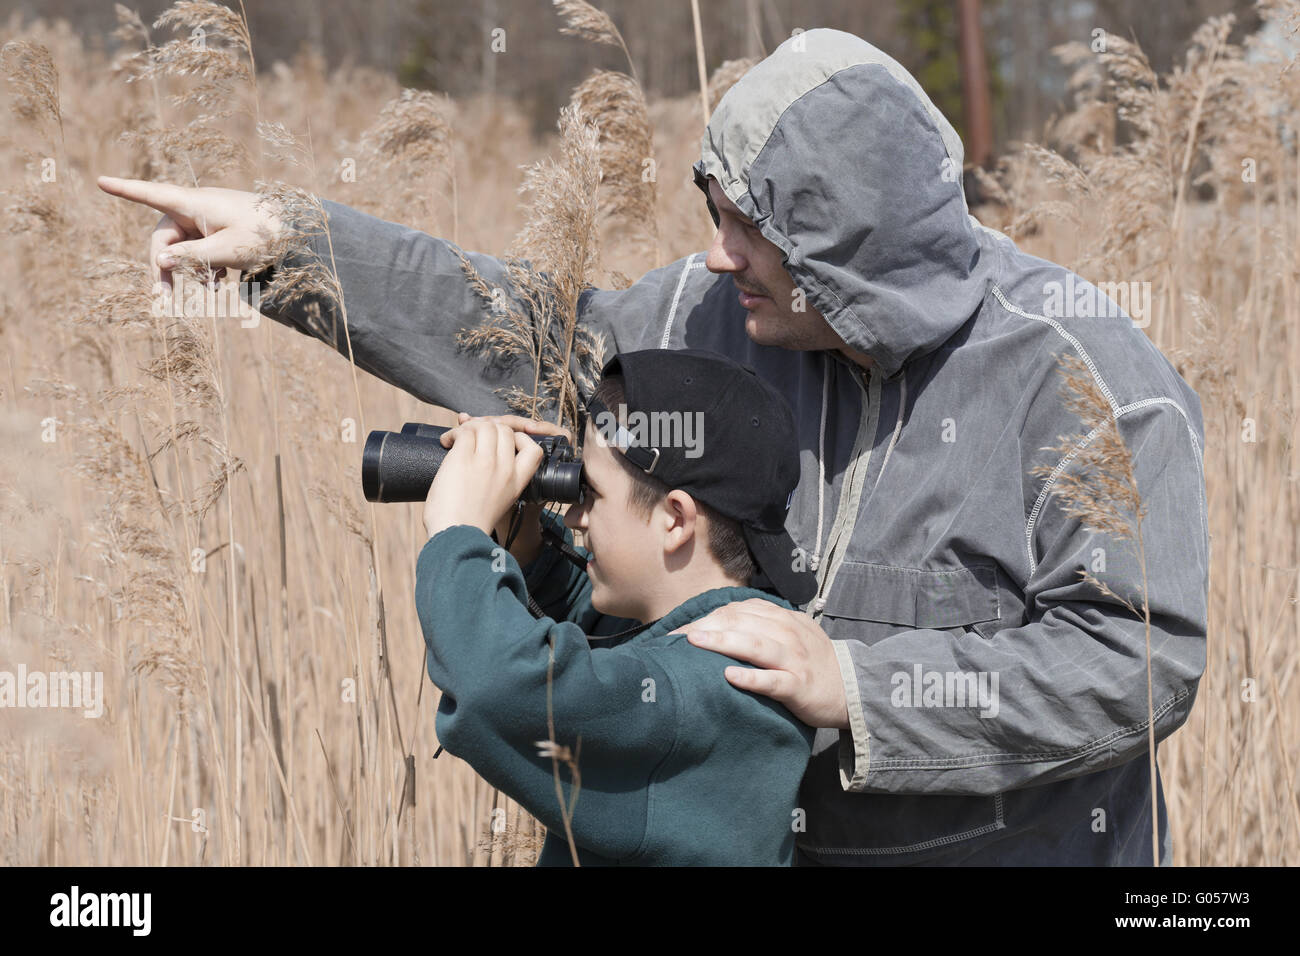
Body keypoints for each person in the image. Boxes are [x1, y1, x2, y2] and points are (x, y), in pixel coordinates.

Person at [97, 27, 1209, 865]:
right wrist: (296, 249)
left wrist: (865, 688)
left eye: (751, 229)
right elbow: (519, 333)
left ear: (851, 256)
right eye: (712, 210)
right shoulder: (703, 315)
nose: (715, 256)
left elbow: (1137, 659)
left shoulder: (1091, 386)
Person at [417, 348, 816, 865]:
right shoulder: (722, 639)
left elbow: (499, 689)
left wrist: (458, 533)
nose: (577, 515)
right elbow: (609, 641)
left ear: (675, 519)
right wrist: (526, 536)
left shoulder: (716, 691)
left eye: (592, 493)